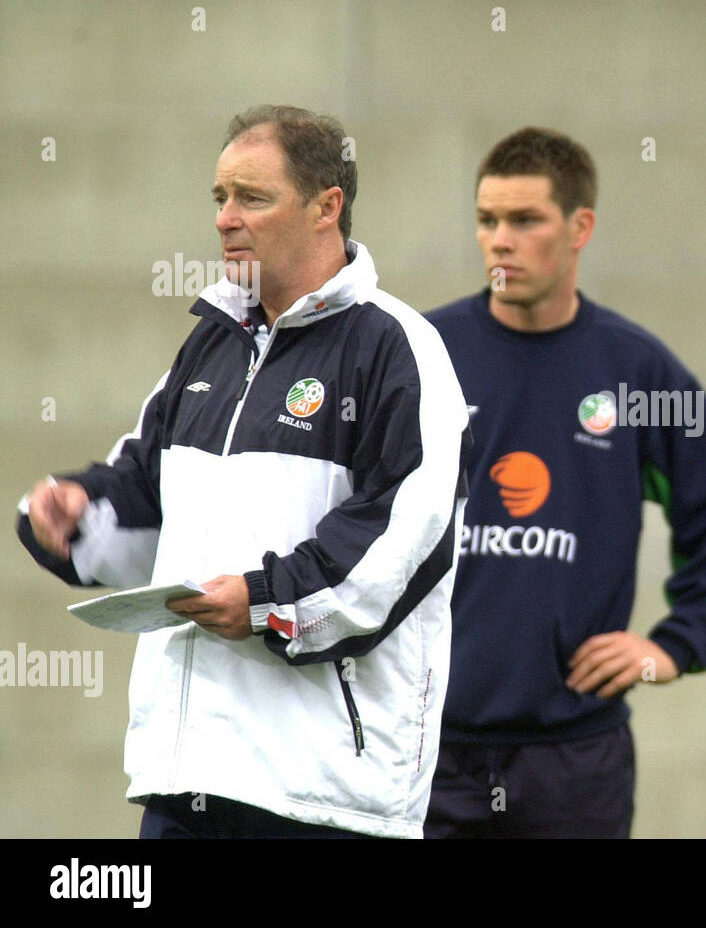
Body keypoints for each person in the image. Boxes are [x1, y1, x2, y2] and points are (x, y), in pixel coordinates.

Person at [16, 105, 469, 839]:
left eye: (252, 197)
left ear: (328, 207)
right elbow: (146, 500)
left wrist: (264, 602)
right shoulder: (210, 346)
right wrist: (77, 517)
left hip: (321, 799)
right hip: (185, 784)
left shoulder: (398, 349)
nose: (226, 218)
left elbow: (398, 543)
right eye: (219, 197)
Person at [422, 127, 706, 838]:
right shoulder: (425, 353)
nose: (499, 241)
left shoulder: (635, 369)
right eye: (487, 221)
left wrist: (676, 643)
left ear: (580, 228)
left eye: (525, 220)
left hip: (574, 758)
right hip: (430, 752)